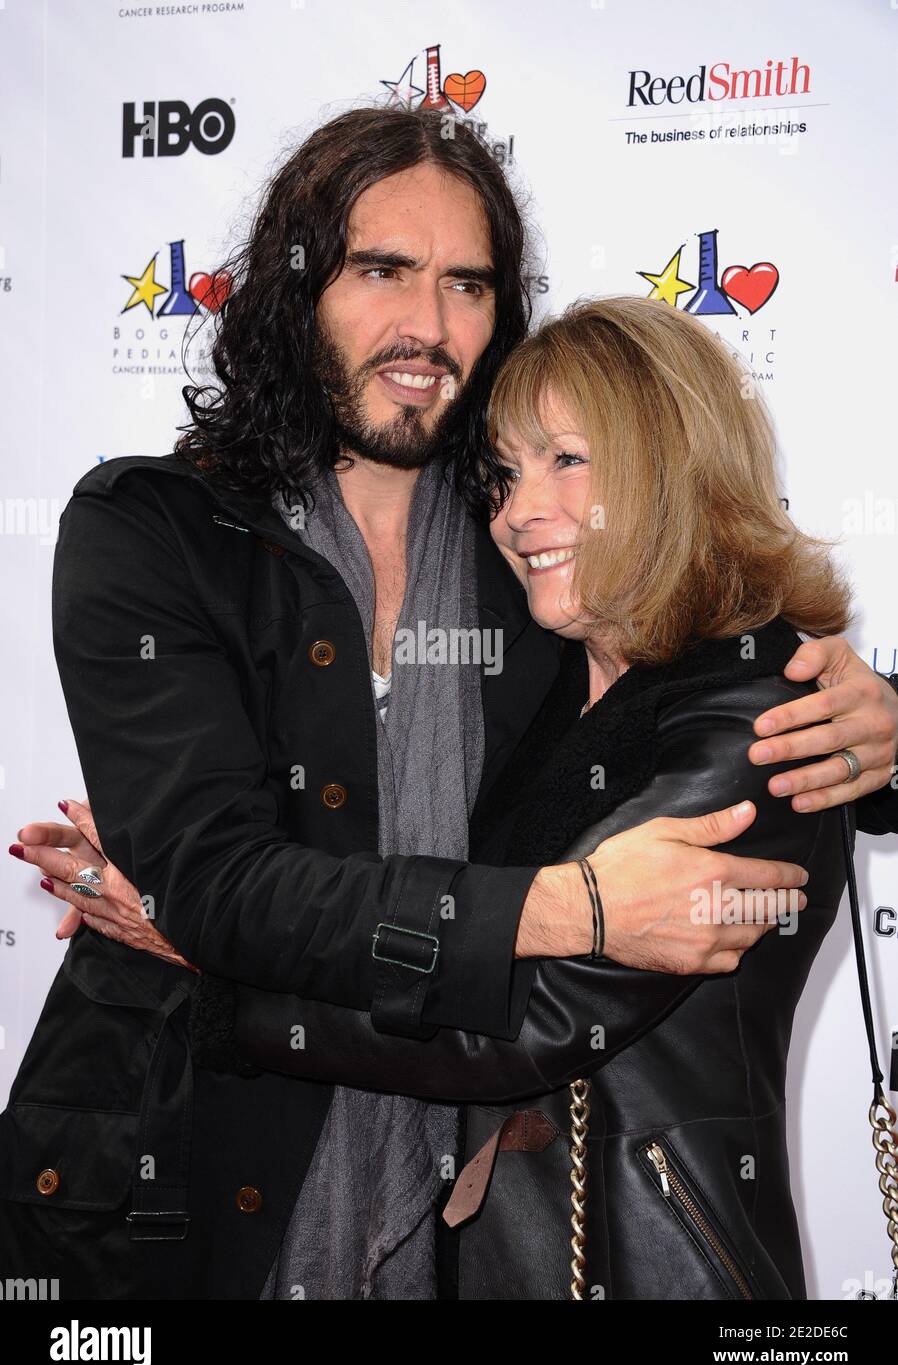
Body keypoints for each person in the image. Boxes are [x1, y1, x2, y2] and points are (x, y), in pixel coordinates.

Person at [5, 110, 897, 1301]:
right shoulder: (154, 532)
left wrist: (883, 715)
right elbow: (215, 884)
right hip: (172, 1171)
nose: (425, 325)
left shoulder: (526, 570)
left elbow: (689, 653)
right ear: (296, 285)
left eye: (466, 284)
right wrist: (568, 907)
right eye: (380, 270)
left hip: (446, 1211)